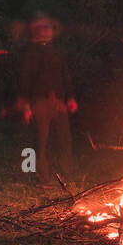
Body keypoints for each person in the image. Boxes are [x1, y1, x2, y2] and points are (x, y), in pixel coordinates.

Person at [16, 12, 78, 189]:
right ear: (35, 31)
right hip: (39, 101)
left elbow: (65, 76)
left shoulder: (56, 51)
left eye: (49, 27)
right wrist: (26, 104)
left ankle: (67, 176)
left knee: (64, 140)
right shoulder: (29, 52)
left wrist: (71, 97)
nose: (47, 30)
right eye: (43, 27)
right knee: (40, 141)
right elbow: (25, 79)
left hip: (58, 102)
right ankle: (42, 178)